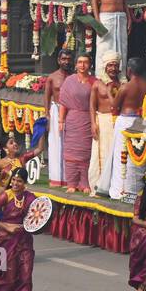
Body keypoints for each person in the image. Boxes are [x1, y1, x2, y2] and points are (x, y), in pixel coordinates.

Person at [105, 58, 146, 199]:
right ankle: (136, 192)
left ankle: (121, 191)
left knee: (122, 157)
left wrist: (108, 92)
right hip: (142, 123)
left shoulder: (125, 87)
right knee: (138, 157)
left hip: (125, 122)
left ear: (129, 71)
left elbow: (114, 105)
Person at [58, 55, 95, 194]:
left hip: (87, 118)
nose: (82, 65)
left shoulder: (94, 82)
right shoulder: (69, 81)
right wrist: (61, 121)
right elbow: (63, 103)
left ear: (90, 65)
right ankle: (72, 183)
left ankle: (85, 183)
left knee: (86, 152)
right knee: (71, 153)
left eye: (85, 62)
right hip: (72, 119)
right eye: (79, 62)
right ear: (76, 65)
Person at [90, 52, 123, 194]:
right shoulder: (98, 84)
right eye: (110, 65)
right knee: (100, 154)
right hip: (102, 121)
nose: (113, 69)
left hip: (118, 121)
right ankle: (98, 186)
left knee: (114, 154)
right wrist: (93, 123)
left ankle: (112, 187)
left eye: (115, 65)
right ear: (105, 67)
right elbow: (92, 106)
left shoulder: (123, 84)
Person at [41, 50, 74, 187]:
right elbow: (47, 98)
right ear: (59, 60)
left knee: (70, 144)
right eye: (64, 59)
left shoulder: (74, 77)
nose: (66, 61)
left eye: (68, 59)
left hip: (72, 112)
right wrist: (48, 116)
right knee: (56, 144)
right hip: (56, 111)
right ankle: (55, 178)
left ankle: (69, 179)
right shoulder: (52, 77)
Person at [91, 0, 128, 74]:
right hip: (105, 18)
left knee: (122, 47)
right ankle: (102, 76)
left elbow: (125, 3)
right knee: (104, 47)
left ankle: (121, 75)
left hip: (121, 18)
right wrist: (97, 23)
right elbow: (94, 3)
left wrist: (129, 19)